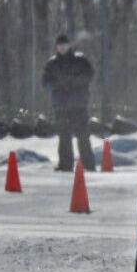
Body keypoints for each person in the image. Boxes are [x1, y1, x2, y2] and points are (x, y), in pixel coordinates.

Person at [42, 34, 97, 171]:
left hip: (79, 105)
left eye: (64, 45)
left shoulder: (80, 60)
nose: (62, 48)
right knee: (64, 138)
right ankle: (65, 165)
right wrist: (58, 85)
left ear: (69, 45)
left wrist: (75, 82)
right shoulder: (52, 63)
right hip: (61, 106)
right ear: (57, 47)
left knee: (83, 137)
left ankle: (89, 165)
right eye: (60, 45)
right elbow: (46, 82)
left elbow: (89, 74)